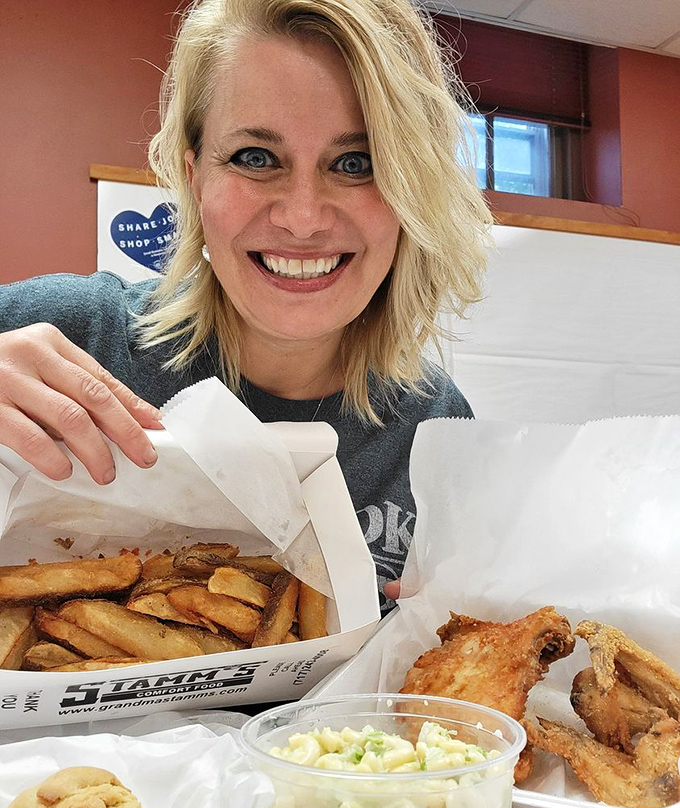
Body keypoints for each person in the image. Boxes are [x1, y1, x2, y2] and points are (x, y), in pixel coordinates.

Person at [0, 0, 491, 611]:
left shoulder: (436, 425)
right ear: (195, 178)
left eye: (356, 163)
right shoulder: (69, 336)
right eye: (255, 158)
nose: (303, 218)